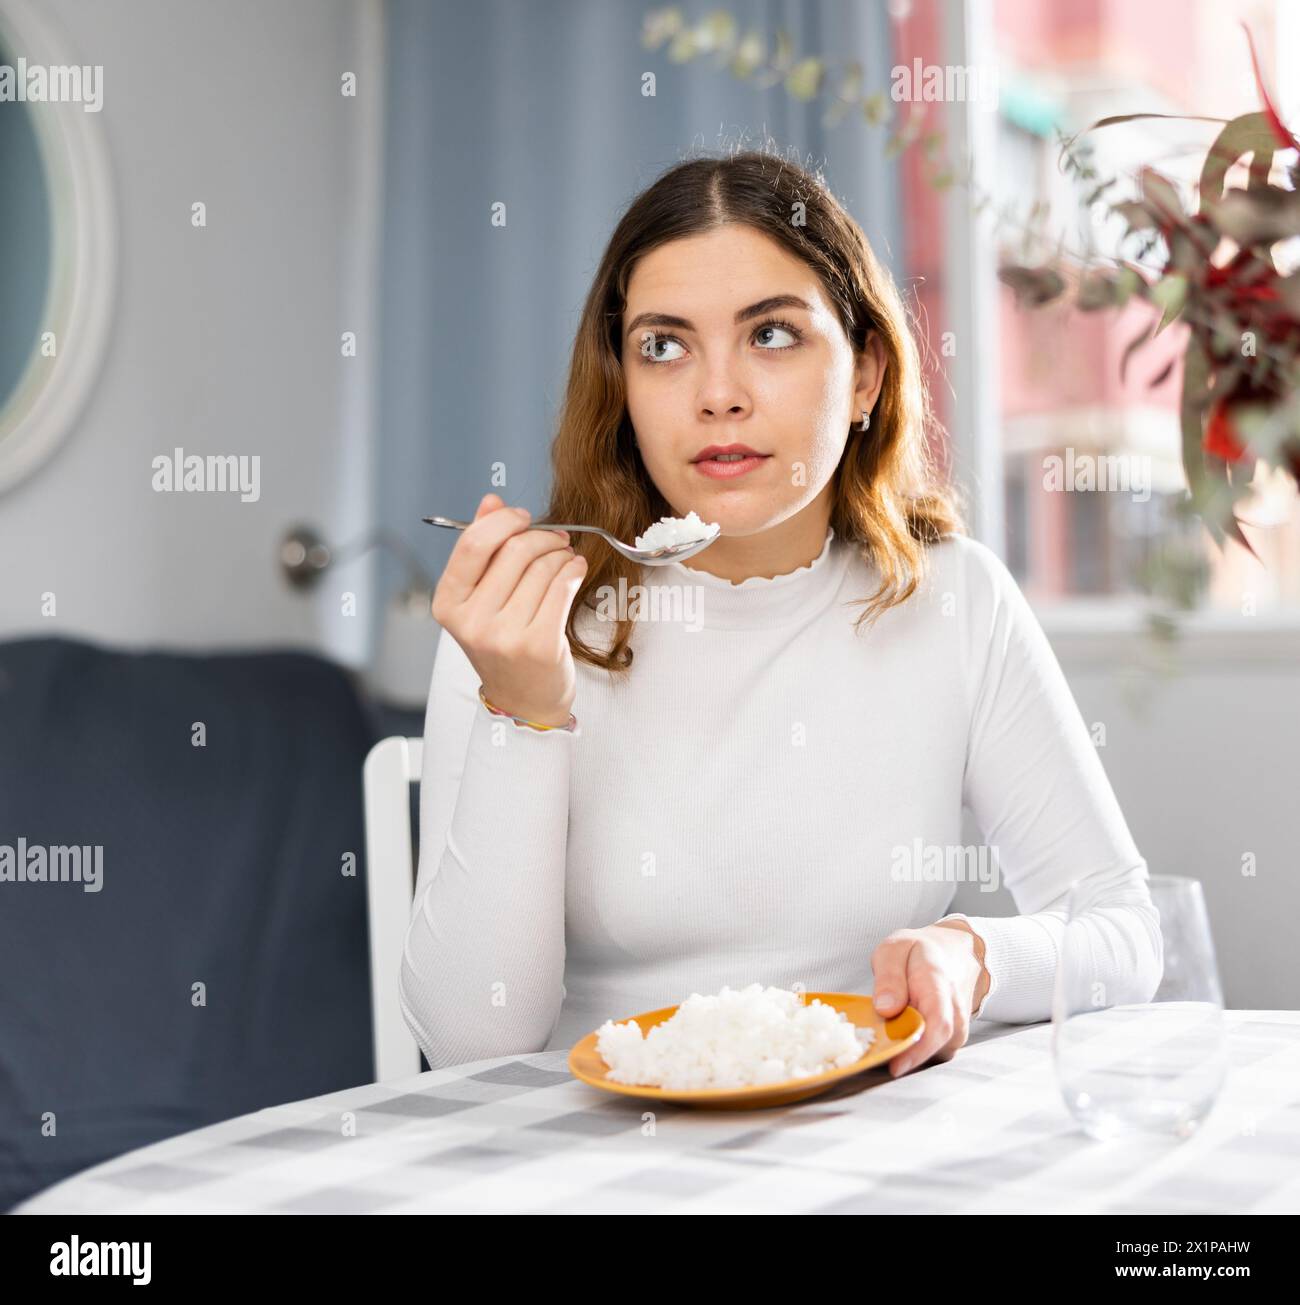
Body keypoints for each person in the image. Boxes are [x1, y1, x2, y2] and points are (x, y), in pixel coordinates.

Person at [399, 148, 1163, 1077]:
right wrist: (523, 710)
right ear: (624, 389)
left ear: (866, 376)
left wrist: (977, 952)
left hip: (867, 1142)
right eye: (664, 345)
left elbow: (1123, 933)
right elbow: (470, 1038)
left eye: (771, 335)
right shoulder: (517, 624)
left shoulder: (954, 599)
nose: (717, 393)